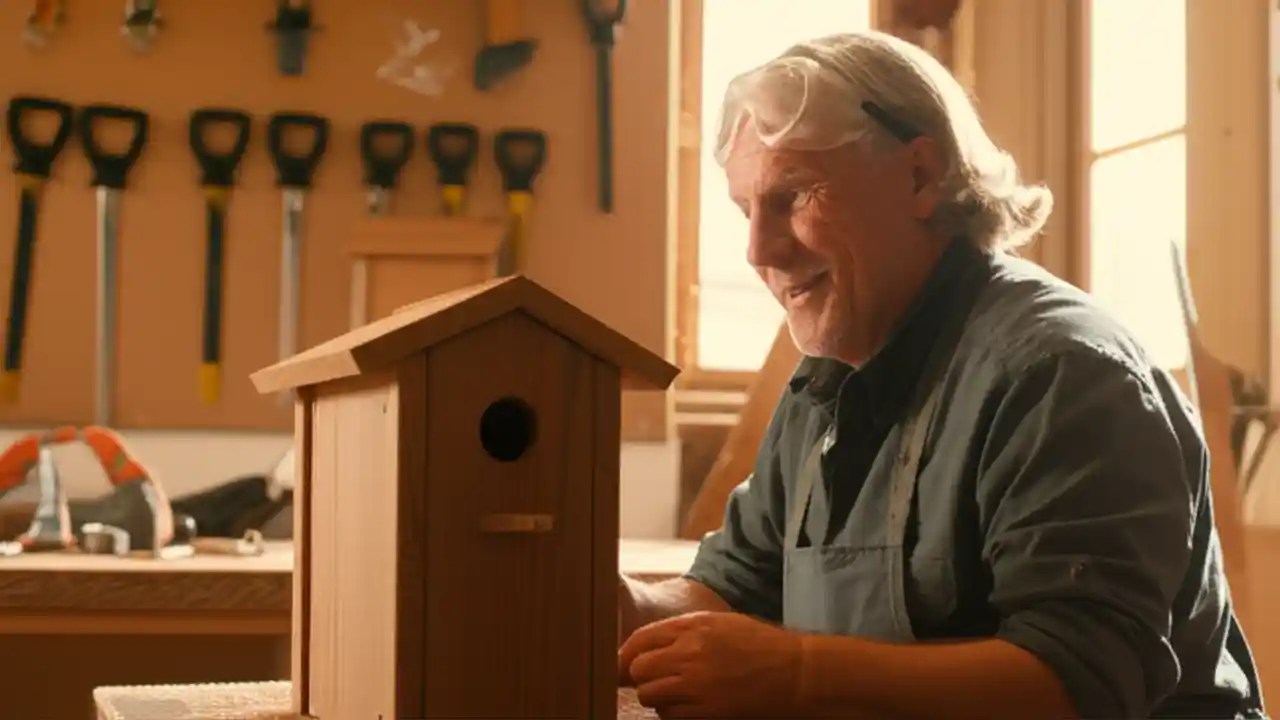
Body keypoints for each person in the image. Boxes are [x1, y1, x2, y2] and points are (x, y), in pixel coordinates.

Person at [616, 29, 1266, 720]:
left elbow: (1076, 683)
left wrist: (800, 674)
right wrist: (623, 610)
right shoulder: (826, 383)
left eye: (794, 197)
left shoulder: (1063, 374)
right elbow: (738, 585)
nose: (758, 250)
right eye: (747, 210)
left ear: (920, 177)